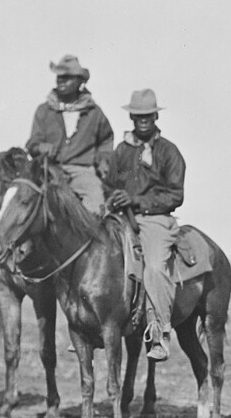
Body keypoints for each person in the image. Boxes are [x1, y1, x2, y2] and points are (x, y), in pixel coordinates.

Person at [102, 89, 185, 362]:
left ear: (156, 115)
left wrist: (137, 200)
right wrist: (112, 196)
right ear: (132, 117)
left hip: (154, 219)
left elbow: (175, 194)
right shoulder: (122, 151)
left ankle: (161, 331)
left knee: (154, 268)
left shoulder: (168, 151)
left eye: (147, 115)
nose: (142, 120)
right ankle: (91, 325)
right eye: (137, 116)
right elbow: (110, 183)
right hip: (121, 216)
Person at [26, 54, 114, 215]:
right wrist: (40, 147)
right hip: (48, 169)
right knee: (21, 201)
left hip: (81, 170)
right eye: (59, 77)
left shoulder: (93, 113)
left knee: (96, 206)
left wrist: (102, 158)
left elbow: (106, 139)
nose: (61, 81)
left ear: (80, 81)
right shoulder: (44, 110)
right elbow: (33, 141)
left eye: (67, 77)